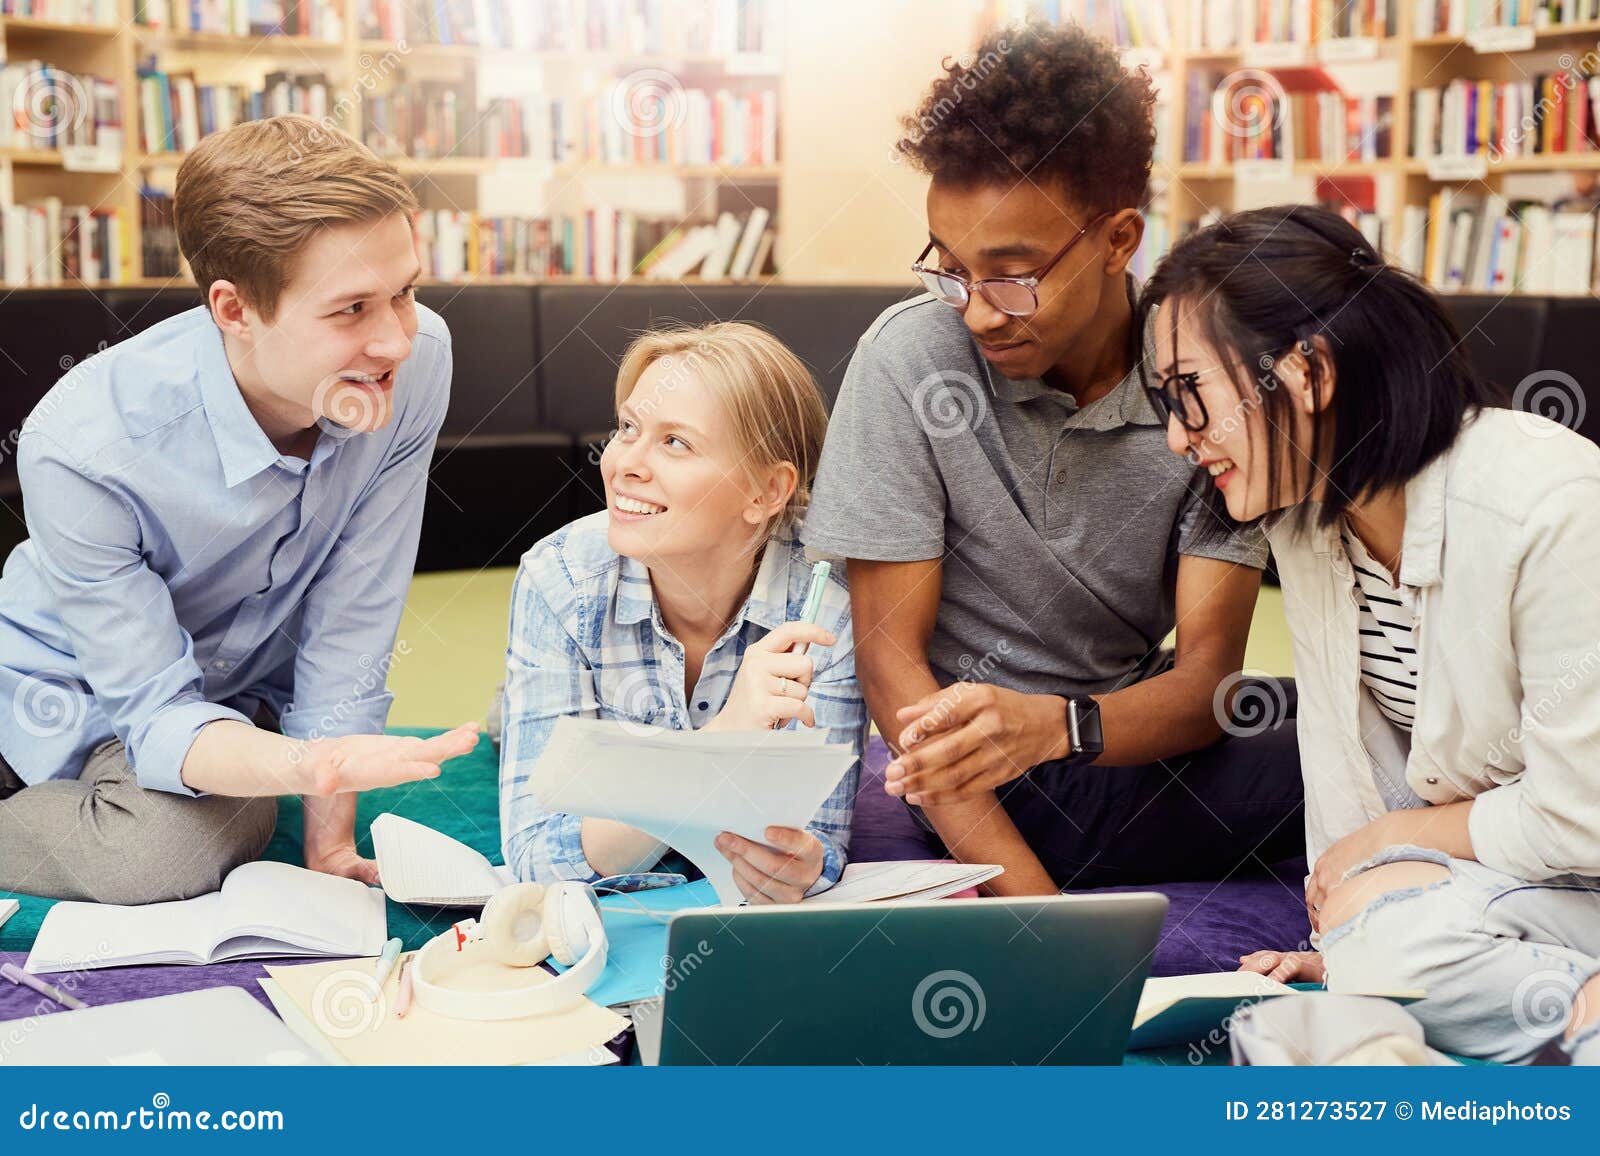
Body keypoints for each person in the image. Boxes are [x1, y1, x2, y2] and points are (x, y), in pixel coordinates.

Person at [801, 21, 1303, 895]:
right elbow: (894, 673)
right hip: (976, 780)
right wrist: (1032, 914)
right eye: (949, 269)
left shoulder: (1198, 386)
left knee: (1360, 714)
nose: (978, 313)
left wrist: (1061, 725)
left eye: (1012, 274)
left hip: (1121, 735)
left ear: (1119, 240)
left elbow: (1204, 681)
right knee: (1340, 751)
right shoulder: (909, 361)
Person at [1143, 202, 1600, 1065]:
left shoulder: (1548, 506)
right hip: (1525, 894)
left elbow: (1584, 819)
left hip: (1579, 861)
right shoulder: (1313, 524)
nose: (1177, 438)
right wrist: (1355, 929)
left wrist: (1391, 852)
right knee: (1327, 995)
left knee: (1366, 991)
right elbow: (1350, 782)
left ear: (1309, 370)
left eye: (1190, 396)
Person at [0, 116, 478, 904]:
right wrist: (302, 762)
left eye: (407, 291)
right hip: (67, 679)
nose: (395, 339)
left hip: (224, 697)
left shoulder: (417, 360)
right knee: (159, 856)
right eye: (351, 309)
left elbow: (356, 604)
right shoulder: (82, 443)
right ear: (234, 309)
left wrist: (329, 840)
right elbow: (154, 712)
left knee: (216, 826)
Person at [498, 322, 865, 904]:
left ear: (767, 491)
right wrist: (723, 738)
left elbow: (818, 848)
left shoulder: (831, 602)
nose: (624, 465)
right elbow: (537, 856)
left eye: (675, 443)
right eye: (627, 428)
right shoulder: (559, 578)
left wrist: (798, 867)